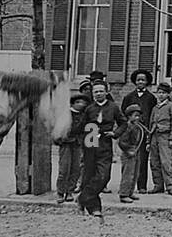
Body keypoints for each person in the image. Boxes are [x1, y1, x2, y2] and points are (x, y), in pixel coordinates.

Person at [78, 81, 125, 219]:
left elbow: (123, 123)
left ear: (106, 92)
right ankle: (94, 208)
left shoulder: (113, 107)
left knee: (104, 176)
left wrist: (115, 133)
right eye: (95, 92)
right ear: (92, 94)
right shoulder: (89, 109)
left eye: (101, 91)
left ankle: (82, 198)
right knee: (89, 175)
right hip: (90, 143)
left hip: (105, 144)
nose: (98, 94)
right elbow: (81, 126)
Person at [120, 69, 158, 194]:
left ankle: (142, 185)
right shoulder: (129, 97)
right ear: (135, 82)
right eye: (138, 80)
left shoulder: (151, 98)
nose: (140, 82)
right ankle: (127, 185)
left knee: (142, 159)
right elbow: (123, 114)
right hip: (131, 131)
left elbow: (153, 114)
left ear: (147, 82)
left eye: (143, 80)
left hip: (144, 131)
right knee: (128, 157)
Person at [147, 79, 172, 195]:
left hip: (165, 137)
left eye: (163, 93)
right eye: (159, 92)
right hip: (154, 136)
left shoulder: (171, 106)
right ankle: (158, 185)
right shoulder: (155, 108)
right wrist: (148, 140)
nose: (161, 95)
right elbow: (151, 123)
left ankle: (170, 186)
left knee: (166, 162)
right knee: (154, 162)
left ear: (168, 94)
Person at [55, 91, 90, 203]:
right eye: (78, 102)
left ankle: (70, 191)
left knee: (76, 169)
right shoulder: (65, 114)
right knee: (64, 168)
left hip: (77, 143)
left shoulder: (84, 116)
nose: (81, 104)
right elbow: (57, 129)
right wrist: (59, 139)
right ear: (72, 104)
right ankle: (60, 192)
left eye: (83, 102)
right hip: (66, 143)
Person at [117, 104, 147, 203]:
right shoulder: (127, 127)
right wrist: (128, 150)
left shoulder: (137, 127)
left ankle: (130, 192)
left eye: (139, 116)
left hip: (135, 150)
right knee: (128, 173)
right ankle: (124, 194)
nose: (137, 118)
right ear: (129, 116)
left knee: (135, 173)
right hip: (128, 152)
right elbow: (122, 142)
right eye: (135, 115)